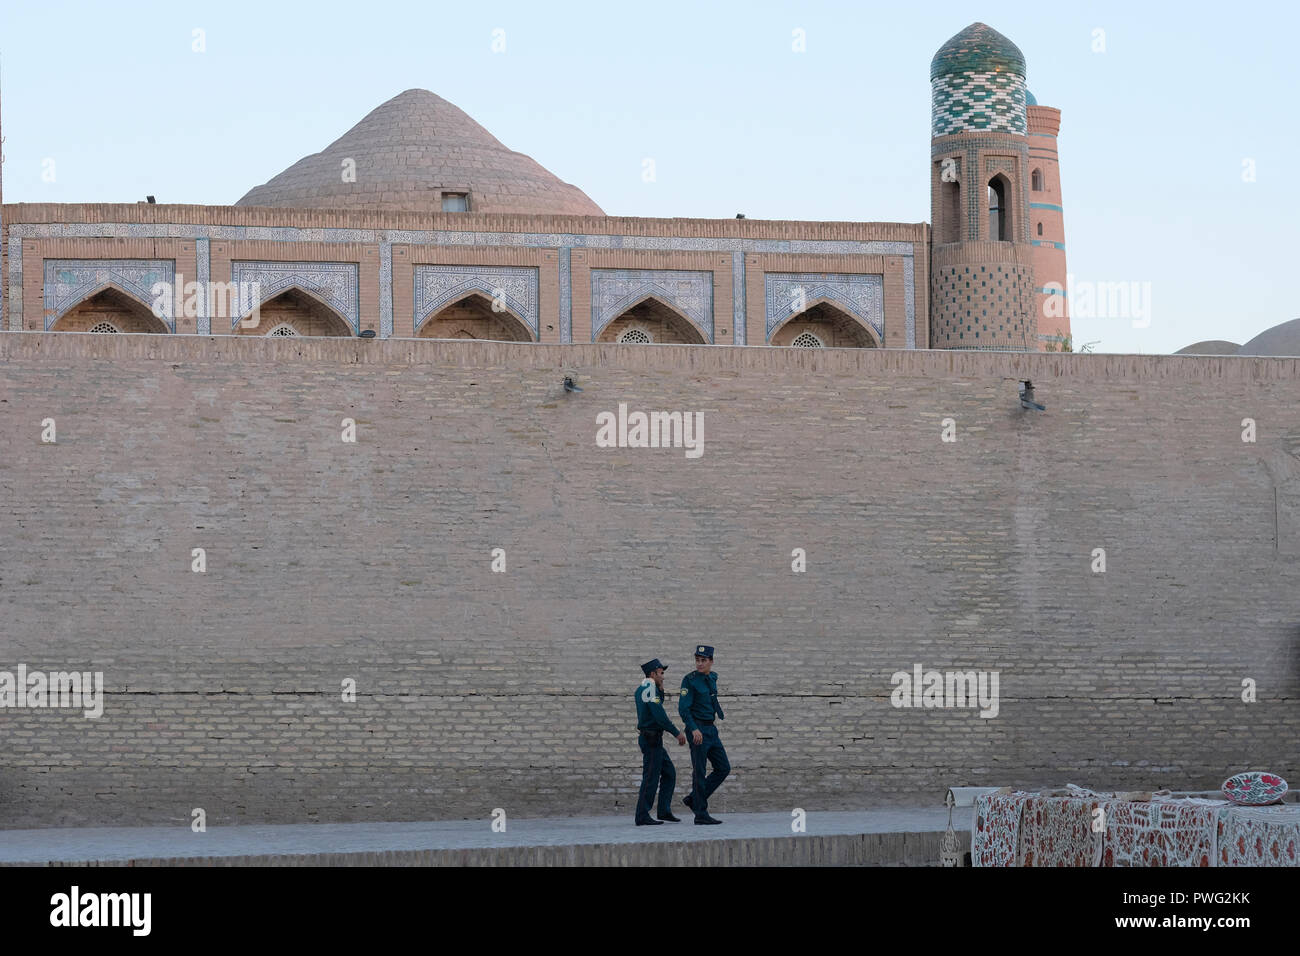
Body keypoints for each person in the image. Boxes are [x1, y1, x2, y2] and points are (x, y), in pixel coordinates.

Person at [678, 644, 729, 824]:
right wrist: (693, 729)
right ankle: (700, 814)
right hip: (697, 729)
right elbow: (683, 708)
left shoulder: (713, 678)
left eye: (703, 660)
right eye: (697, 660)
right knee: (699, 771)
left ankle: (694, 799)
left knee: (723, 767)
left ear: (711, 661)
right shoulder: (689, 680)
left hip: (710, 729)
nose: (699, 664)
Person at [634, 658, 686, 826]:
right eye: (661, 673)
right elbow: (659, 715)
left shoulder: (644, 688)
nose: (663, 677)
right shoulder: (649, 690)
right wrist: (677, 733)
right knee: (650, 777)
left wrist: (661, 690)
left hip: (653, 739)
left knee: (669, 773)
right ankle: (642, 815)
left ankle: (663, 811)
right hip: (651, 740)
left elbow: (654, 707)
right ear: (652, 673)